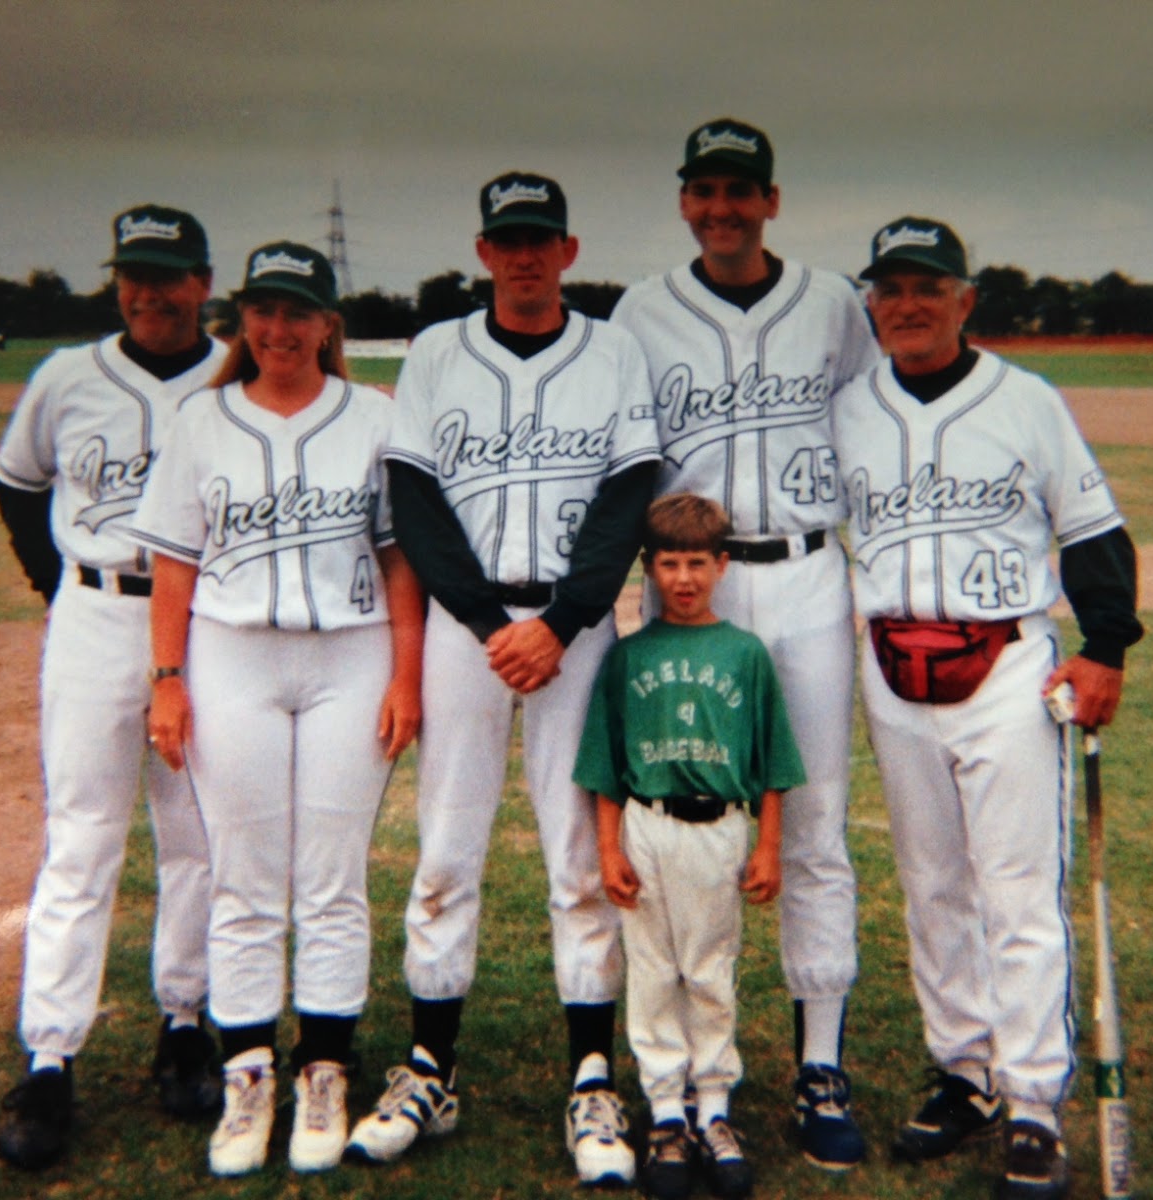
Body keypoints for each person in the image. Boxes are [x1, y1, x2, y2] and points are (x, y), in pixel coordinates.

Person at [344, 172, 662, 1187]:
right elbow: (416, 497)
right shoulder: (438, 350)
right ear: (483, 251)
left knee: (581, 849)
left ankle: (592, 1078)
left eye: (542, 240)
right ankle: (430, 1063)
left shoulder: (612, 351)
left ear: (568, 251)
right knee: (446, 844)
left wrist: (564, 622)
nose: (524, 257)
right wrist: (490, 622)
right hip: (464, 627)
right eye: (507, 240)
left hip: (574, 629)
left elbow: (626, 495)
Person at [835, 216, 1143, 1200]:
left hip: (1005, 665)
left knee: (1015, 891)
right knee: (931, 885)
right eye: (889, 289)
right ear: (870, 304)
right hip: (891, 671)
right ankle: (961, 1071)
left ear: (965, 300)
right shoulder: (849, 408)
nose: (907, 305)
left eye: (928, 287)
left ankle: (1033, 1101)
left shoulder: (1026, 401)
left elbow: (1092, 529)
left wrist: (1104, 650)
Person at [610, 117, 881, 1170]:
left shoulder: (831, 306)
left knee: (810, 827)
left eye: (741, 190)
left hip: (808, 576)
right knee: (673, 833)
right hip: (686, 586)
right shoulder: (640, 311)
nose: (721, 208)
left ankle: (820, 1067)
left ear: (771, 199)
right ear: (684, 200)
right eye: (703, 190)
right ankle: (678, 1076)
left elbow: (875, 419)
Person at [127, 242, 425, 1177]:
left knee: (332, 875)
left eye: (300, 312)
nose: (280, 329)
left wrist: (407, 677)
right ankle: (249, 1074)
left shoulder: (373, 415)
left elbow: (398, 560)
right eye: (265, 310)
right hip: (232, 657)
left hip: (350, 653)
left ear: (329, 323)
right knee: (244, 877)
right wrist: (168, 678)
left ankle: (325, 1070)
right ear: (241, 319)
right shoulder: (202, 419)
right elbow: (173, 561)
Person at [0, 204, 226, 1170]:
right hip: (94, 612)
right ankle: (50, 1059)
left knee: (195, 835)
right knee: (82, 839)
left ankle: (186, 1021)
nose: (149, 292)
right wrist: (57, 587)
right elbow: (16, 478)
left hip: (209, 627)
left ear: (205, 282)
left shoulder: (235, 378)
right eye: (133, 272)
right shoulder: (68, 376)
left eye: (168, 274)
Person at [575, 493, 805, 1200]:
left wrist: (768, 847)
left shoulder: (744, 653)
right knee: (651, 969)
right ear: (648, 568)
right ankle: (665, 1114)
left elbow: (772, 763)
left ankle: (714, 1109)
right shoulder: (628, 656)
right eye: (669, 563)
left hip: (718, 828)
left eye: (697, 563)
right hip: (648, 822)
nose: (682, 578)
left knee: (709, 968)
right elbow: (606, 766)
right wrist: (609, 849)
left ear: (722, 565)